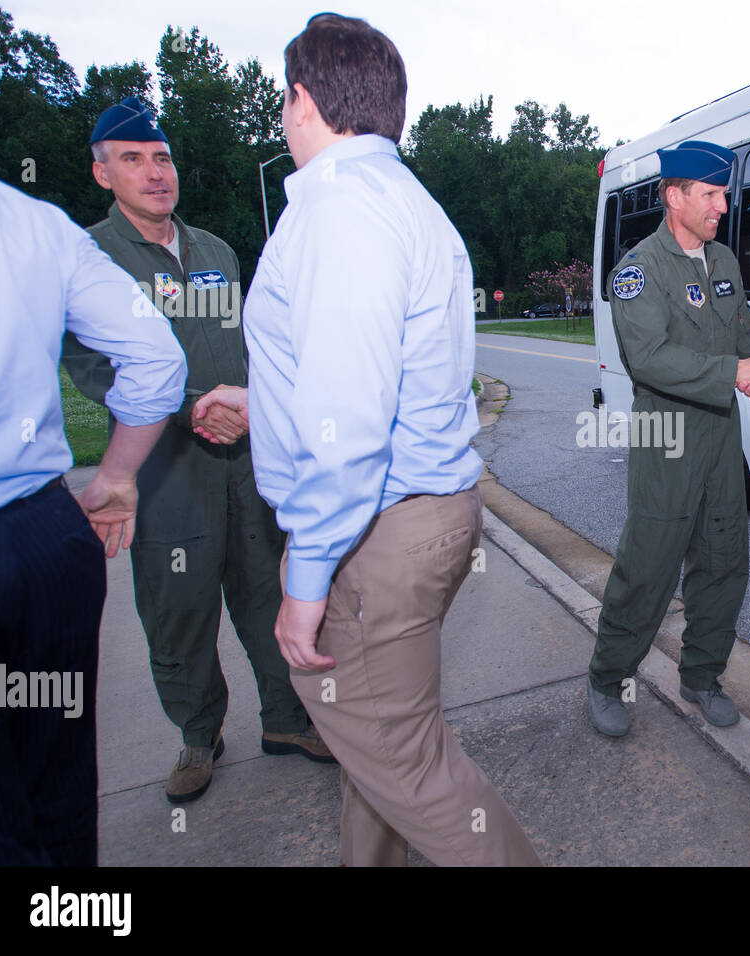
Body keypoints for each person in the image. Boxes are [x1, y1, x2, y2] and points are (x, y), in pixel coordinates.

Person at [216, 13, 539, 866]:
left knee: (407, 763)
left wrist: (308, 570)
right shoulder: (402, 201)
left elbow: (349, 423)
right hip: (419, 513)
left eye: (285, 99)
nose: (282, 117)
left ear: (304, 99)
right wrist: (266, 401)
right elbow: (372, 373)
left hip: (373, 531)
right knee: (383, 751)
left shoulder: (338, 210)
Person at [61, 96, 332, 806]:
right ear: (101, 174)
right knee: (179, 608)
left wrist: (259, 411)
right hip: (165, 468)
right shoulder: (88, 258)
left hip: (244, 458)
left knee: (266, 588)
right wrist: (185, 412)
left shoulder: (216, 251)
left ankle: (289, 719)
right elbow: (92, 365)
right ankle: (198, 732)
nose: (155, 174)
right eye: (133, 160)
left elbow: (253, 344)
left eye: (162, 158)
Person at [0, 174, 187, 865]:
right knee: (58, 783)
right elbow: (155, 357)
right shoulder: (33, 221)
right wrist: (119, 476)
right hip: (44, 537)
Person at [587, 140, 750, 737]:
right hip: (667, 440)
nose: (723, 204)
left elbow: (748, 334)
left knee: (723, 563)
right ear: (674, 196)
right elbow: (649, 358)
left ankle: (702, 677)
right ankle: (608, 678)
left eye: (724, 193)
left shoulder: (725, 262)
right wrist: (732, 374)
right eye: (711, 194)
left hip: (720, 438)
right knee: (649, 567)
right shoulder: (638, 271)